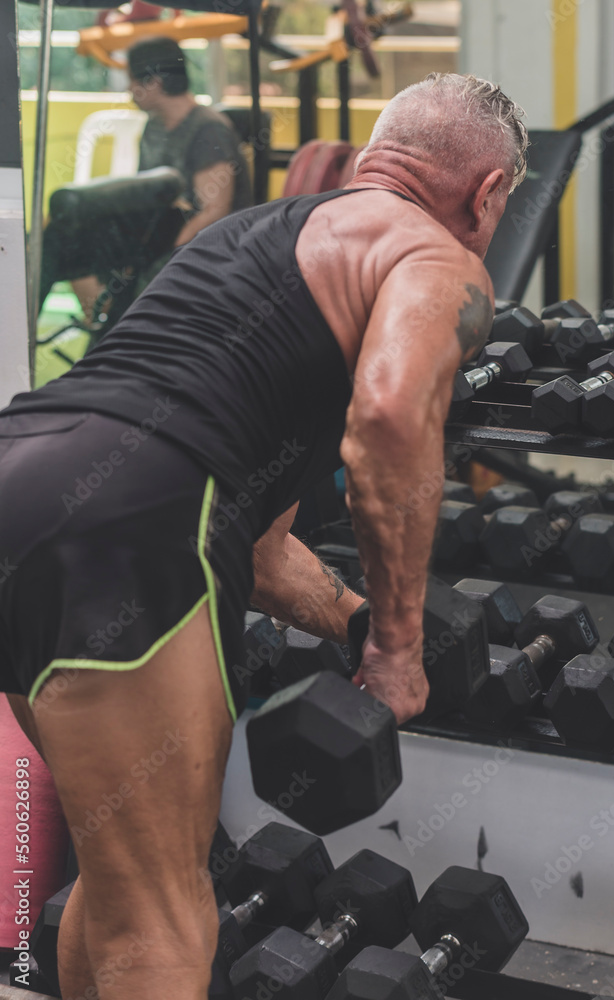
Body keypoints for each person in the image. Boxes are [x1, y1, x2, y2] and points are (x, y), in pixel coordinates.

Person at [0, 73, 528, 1000]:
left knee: (118, 888)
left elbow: (258, 547)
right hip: (134, 523)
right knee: (170, 914)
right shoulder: (437, 257)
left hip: (26, 476)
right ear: (487, 196)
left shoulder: (257, 237)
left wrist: (361, 622)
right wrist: (402, 649)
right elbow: (393, 424)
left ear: (374, 156)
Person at [63, 35, 253, 322]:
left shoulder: (209, 130)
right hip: (160, 235)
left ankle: (121, 326)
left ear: (154, 83)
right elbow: (148, 196)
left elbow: (214, 212)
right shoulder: (154, 127)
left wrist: (156, 257)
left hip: (204, 249)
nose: (129, 88)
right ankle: (107, 323)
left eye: (133, 80)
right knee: (69, 235)